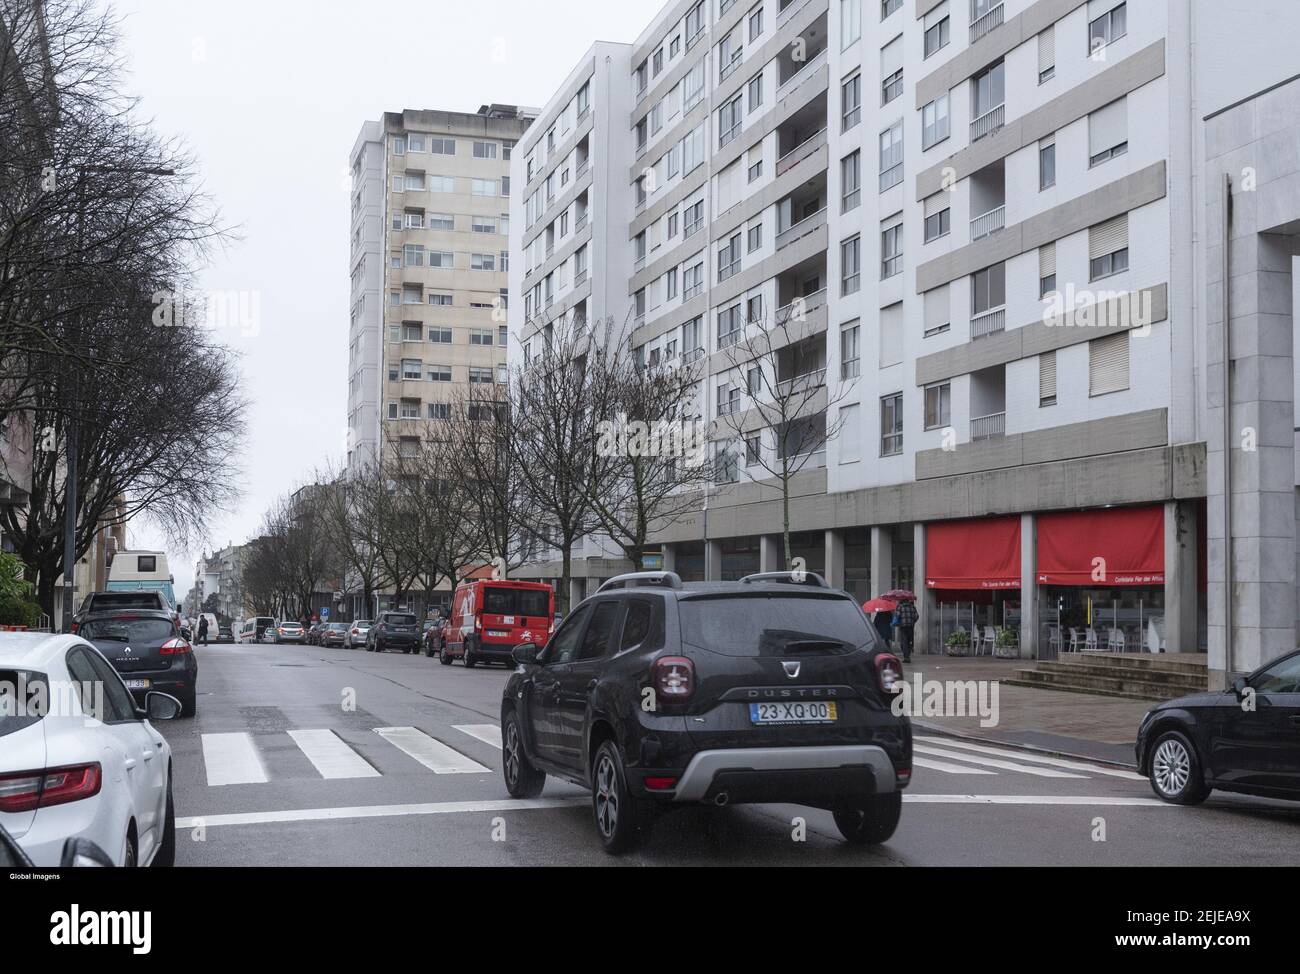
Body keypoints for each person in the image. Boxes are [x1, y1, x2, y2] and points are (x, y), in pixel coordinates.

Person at [893, 598, 918, 663]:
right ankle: (908, 655)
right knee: (909, 641)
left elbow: (897, 616)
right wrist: (912, 621)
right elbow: (917, 616)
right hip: (911, 626)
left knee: (903, 642)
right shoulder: (913, 607)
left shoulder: (900, 607)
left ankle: (906, 657)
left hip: (903, 626)